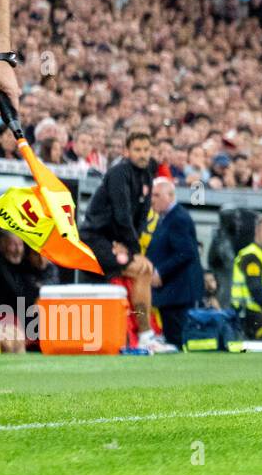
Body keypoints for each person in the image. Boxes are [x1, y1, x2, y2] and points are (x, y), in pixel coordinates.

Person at [79, 131, 169, 351]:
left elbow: (139, 219)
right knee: (141, 268)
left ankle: (146, 335)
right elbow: (122, 215)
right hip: (95, 239)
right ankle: (145, 334)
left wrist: (128, 246)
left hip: (116, 242)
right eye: (137, 150)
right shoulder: (119, 173)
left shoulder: (147, 175)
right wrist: (134, 250)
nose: (142, 154)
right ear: (126, 151)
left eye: (146, 150)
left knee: (145, 269)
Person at [145, 167, 203, 348]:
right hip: (172, 292)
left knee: (176, 340)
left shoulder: (178, 218)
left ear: (169, 195)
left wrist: (160, 272)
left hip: (178, 292)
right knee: (172, 339)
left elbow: (186, 252)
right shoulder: (167, 218)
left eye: (155, 195)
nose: (151, 200)